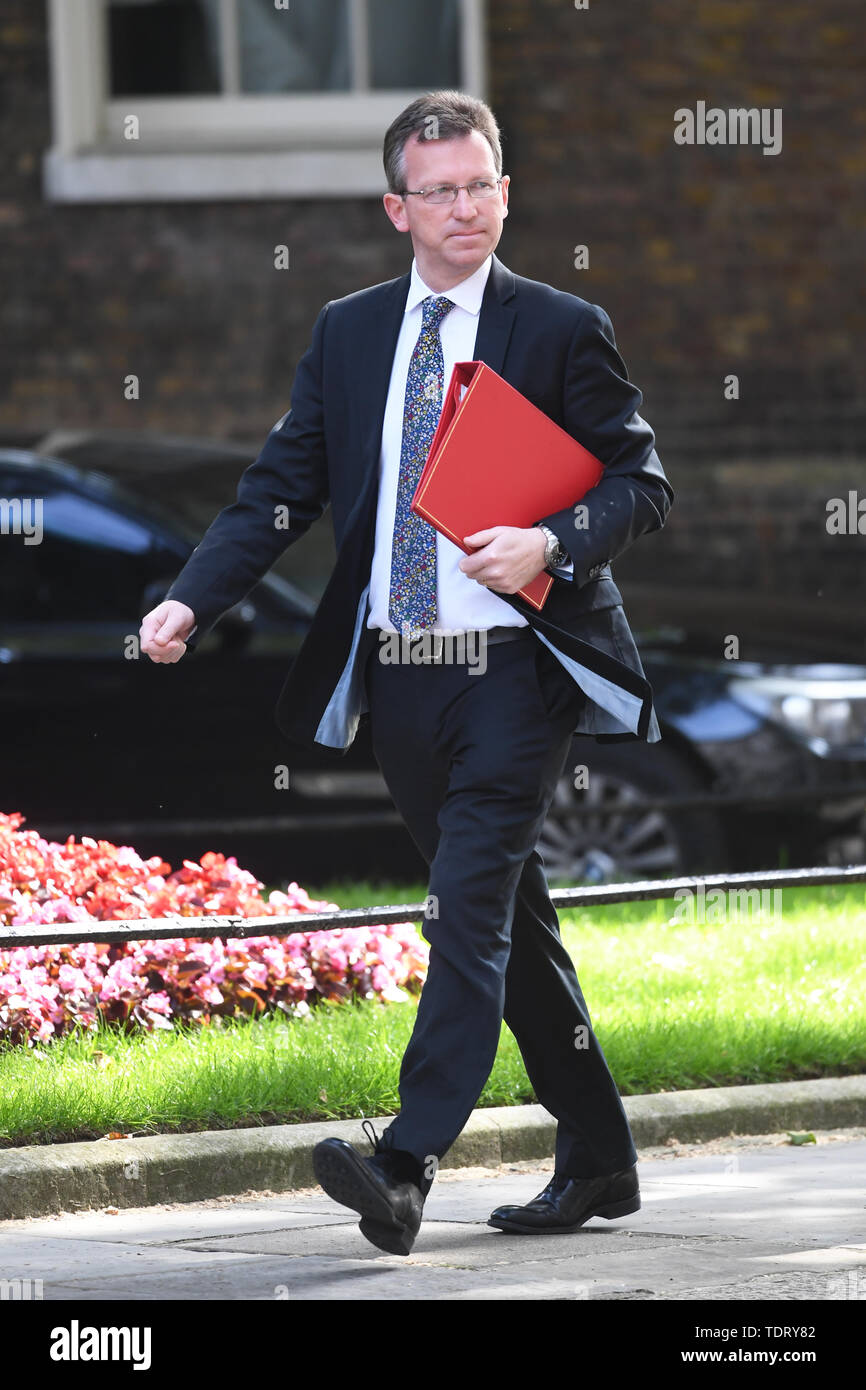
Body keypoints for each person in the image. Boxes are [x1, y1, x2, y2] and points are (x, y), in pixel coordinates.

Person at [140, 89, 674, 1258]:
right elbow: (279, 490)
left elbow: (638, 484)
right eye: (440, 190)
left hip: (516, 670)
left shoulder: (556, 325)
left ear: (502, 192)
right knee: (506, 919)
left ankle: (403, 1161)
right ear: (397, 207)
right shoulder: (348, 332)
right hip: (403, 678)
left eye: (483, 183)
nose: (466, 207)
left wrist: (552, 540)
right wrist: (189, 596)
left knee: (465, 906)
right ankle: (598, 1153)